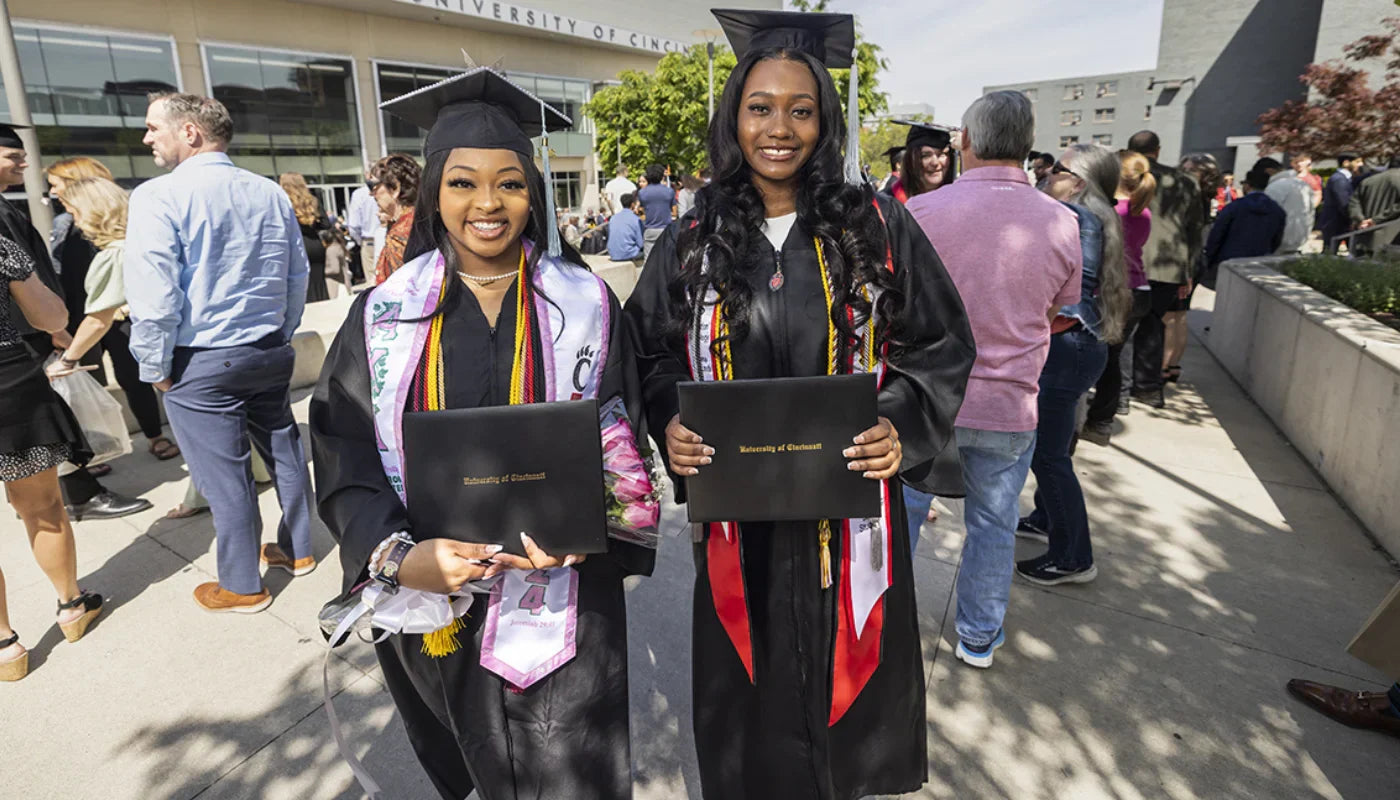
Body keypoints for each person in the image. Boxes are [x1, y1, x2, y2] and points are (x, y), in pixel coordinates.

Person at [628, 10, 975, 797]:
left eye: (800, 108)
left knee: (842, 707)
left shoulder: (878, 228)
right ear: (733, 118)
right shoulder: (693, 239)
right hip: (738, 522)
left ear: (825, 120)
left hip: (845, 520)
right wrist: (669, 423)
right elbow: (647, 350)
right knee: (747, 700)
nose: (778, 127)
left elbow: (941, 343)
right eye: (759, 107)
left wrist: (903, 421)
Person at [311, 67, 654, 800]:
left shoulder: (584, 302)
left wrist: (593, 520)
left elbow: (621, 432)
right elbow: (344, 448)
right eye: (463, 183)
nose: (488, 204)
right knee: (475, 760)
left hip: (569, 592)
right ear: (434, 193)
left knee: (571, 767)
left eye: (511, 182)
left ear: (535, 194)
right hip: (443, 598)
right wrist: (398, 557)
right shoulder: (382, 317)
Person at [909, 90, 1081, 669]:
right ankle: (978, 636)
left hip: (927, 401)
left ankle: (883, 625)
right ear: (1027, 144)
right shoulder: (1062, 221)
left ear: (966, 142)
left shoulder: (920, 215)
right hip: (1008, 403)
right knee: (994, 524)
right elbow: (1061, 311)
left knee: (902, 513)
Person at [126, 92, 314, 613]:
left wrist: (153, 366)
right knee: (284, 450)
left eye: (152, 128)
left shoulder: (156, 197)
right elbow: (296, 275)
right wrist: (281, 330)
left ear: (189, 132)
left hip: (201, 358)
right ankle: (298, 550)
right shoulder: (269, 193)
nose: (146, 139)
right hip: (267, 348)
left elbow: (155, 294)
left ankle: (242, 584)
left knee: (224, 476)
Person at [0, 127, 149, 520]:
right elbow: (21, 281)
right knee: (49, 419)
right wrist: (55, 330)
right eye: (13, 156)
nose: (23, 164)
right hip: (30, 333)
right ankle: (78, 494)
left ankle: (41, 495)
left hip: (37, 328)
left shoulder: (5, 206)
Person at [1016, 143, 1130, 584]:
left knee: (1047, 454)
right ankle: (1047, 518)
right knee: (1055, 446)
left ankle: (1072, 556)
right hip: (1080, 346)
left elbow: (1069, 293)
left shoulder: (1078, 217)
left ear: (1079, 180)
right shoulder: (1092, 215)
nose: (1046, 173)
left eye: (1057, 169)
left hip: (1069, 346)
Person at [0, 234, 105, 682]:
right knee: (42, 508)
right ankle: (72, 606)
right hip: (8, 388)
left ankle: (4, 646)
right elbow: (50, 316)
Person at [46, 157, 179, 463]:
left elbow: (99, 318)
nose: (56, 197)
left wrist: (67, 359)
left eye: (56, 185)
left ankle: (154, 437)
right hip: (90, 315)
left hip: (113, 319)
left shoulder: (112, 251)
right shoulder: (144, 240)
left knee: (138, 380)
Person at [1082, 150, 1156, 444]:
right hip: (1139, 289)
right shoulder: (1142, 210)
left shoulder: (1112, 212)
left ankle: (1100, 421)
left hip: (1115, 291)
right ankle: (1109, 410)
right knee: (1117, 355)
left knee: (1104, 358)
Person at [1126, 130, 1203, 407]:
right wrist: (1189, 269)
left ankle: (1113, 392)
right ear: (1157, 150)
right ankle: (1146, 387)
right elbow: (1195, 229)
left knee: (1118, 328)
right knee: (1153, 323)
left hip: (1128, 261)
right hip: (1168, 265)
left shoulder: (1125, 177)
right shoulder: (1185, 181)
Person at [1199, 168, 1287, 287]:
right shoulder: (1277, 210)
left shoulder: (1235, 207)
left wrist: (1209, 259)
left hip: (1228, 261)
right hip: (1258, 263)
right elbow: (1277, 240)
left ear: (1247, 185)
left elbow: (1217, 235)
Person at [279, 173, 331, 304]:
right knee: (319, 281)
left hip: (297, 245)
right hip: (315, 244)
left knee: (301, 283)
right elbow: (326, 224)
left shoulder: (284, 202)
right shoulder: (312, 200)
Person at [370, 153, 420, 284]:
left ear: (395, 188)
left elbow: (398, 289)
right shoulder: (424, 218)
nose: (371, 193)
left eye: (373, 185)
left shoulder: (399, 234)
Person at [1255, 156, 1314, 254]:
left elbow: (1266, 216)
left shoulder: (1275, 187)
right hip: (1300, 242)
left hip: (1279, 245)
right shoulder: (1303, 185)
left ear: (1269, 171)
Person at [888, 121, 957, 205]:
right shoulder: (886, 204)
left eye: (942, 154)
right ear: (910, 160)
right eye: (925, 156)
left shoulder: (960, 200)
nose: (935, 162)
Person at [1348, 155, 1400, 255]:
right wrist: (1375, 220)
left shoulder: (1367, 181)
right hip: (1390, 240)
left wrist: (1360, 220)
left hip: (1362, 235)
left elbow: (1354, 203)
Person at [1319, 152, 1363, 254]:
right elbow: (1344, 202)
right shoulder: (1339, 179)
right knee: (1329, 253)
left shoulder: (1343, 178)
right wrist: (1354, 218)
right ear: (1346, 163)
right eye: (1357, 162)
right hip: (1335, 223)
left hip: (1338, 223)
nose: (1360, 165)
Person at [345, 165, 382, 285]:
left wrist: (360, 242)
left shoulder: (359, 194)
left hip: (368, 240)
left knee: (372, 281)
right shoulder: (389, 190)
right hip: (385, 235)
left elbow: (353, 225)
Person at [637, 163, 676, 262]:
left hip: (650, 229)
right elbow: (674, 212)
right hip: (666, 229)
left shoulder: (642, 193)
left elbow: (642, 210)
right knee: (666, 260)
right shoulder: (669, 191)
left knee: (648, 262)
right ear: (662, 176)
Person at [606, 191, 645, 266]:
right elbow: (640, 243)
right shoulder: (636, 219)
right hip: (629, 254)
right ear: (632, 204)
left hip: (613, 254)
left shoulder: (613, 218)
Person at [321, 228, 352, 297]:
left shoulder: (331, 250)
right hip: (344, 283)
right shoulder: (339, 247)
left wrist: (322, 271)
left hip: (335, 284)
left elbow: (335, 269)